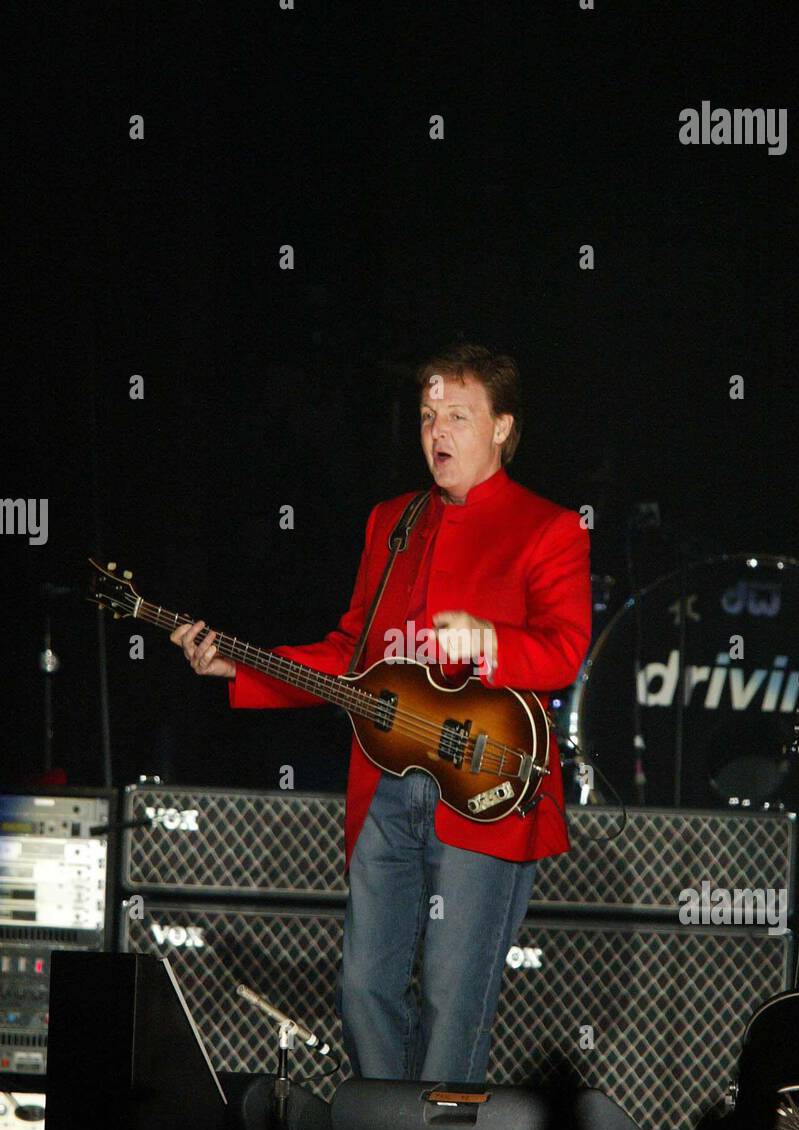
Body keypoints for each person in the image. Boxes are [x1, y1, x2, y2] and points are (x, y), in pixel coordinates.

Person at [172, 342, 591, 1082]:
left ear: (500, 428)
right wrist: (240, 664)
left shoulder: (547, 527)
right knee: (364, 986)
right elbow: (350, 655)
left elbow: (562, 650)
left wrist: (489, 640)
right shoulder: (391, 522)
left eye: (458, 416)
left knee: (452, 1000)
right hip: (385, 785)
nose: (438, 431)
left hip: (481, 792)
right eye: (429, 415)